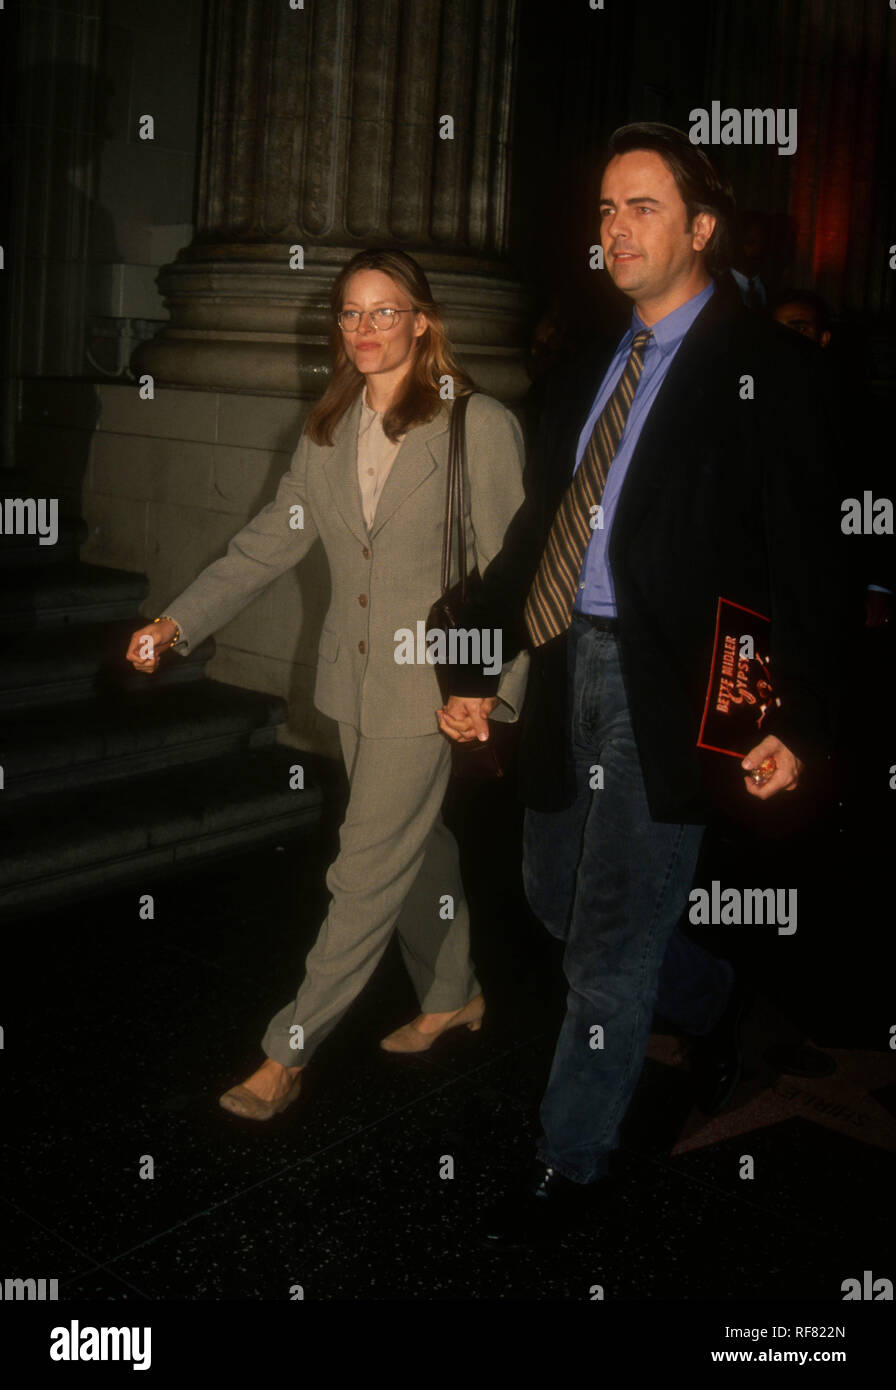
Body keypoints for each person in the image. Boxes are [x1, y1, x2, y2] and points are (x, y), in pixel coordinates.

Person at [438, 123, 845, 1246]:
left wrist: (794, 715)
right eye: (605, 211)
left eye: (642, 208)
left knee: (608, 947)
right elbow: (536, 533)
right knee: (549, 894)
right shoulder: (584, 364)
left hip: (673, 687)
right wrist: (478, 663)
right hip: (568, 658)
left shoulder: (768, 368)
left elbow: (805, 561)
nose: (613, 230)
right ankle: (713, 998)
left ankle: (572, 1161)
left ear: (700, 227)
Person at [125, 248, 528, 1120]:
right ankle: (454, 990)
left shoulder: (476, 425)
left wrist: (492, 691)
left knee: (363, 869)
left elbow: (509, 570)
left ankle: (287, 1052)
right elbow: (270, 541)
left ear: (423, 320)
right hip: (352, 683)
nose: (365, 330)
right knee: (415, 845)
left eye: (386, 311)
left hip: (434, 689)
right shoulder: (329, 428)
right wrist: (178, 622)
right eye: (350, 313)